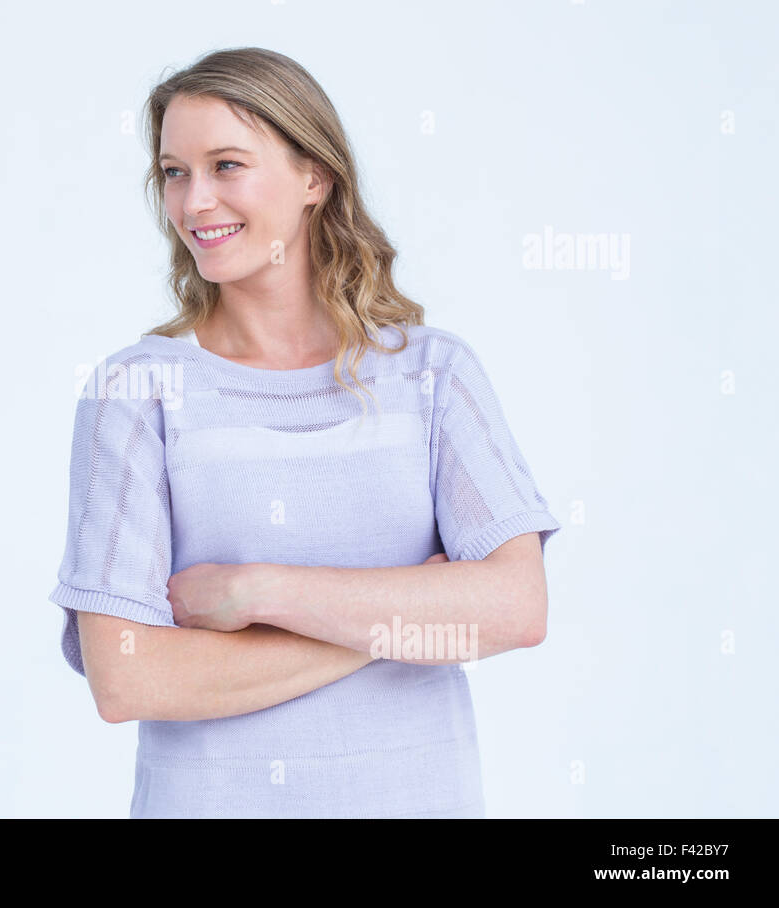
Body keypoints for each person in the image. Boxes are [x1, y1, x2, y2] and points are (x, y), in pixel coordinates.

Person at [48, 46, 561, 818]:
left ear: (314, 177)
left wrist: (262, 591)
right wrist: (403, 614)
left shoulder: (433, 375)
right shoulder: (137, 389)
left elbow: (516, 610)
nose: (193, 203)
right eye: (175, 173)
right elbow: (128, 679)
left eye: (226, 165)